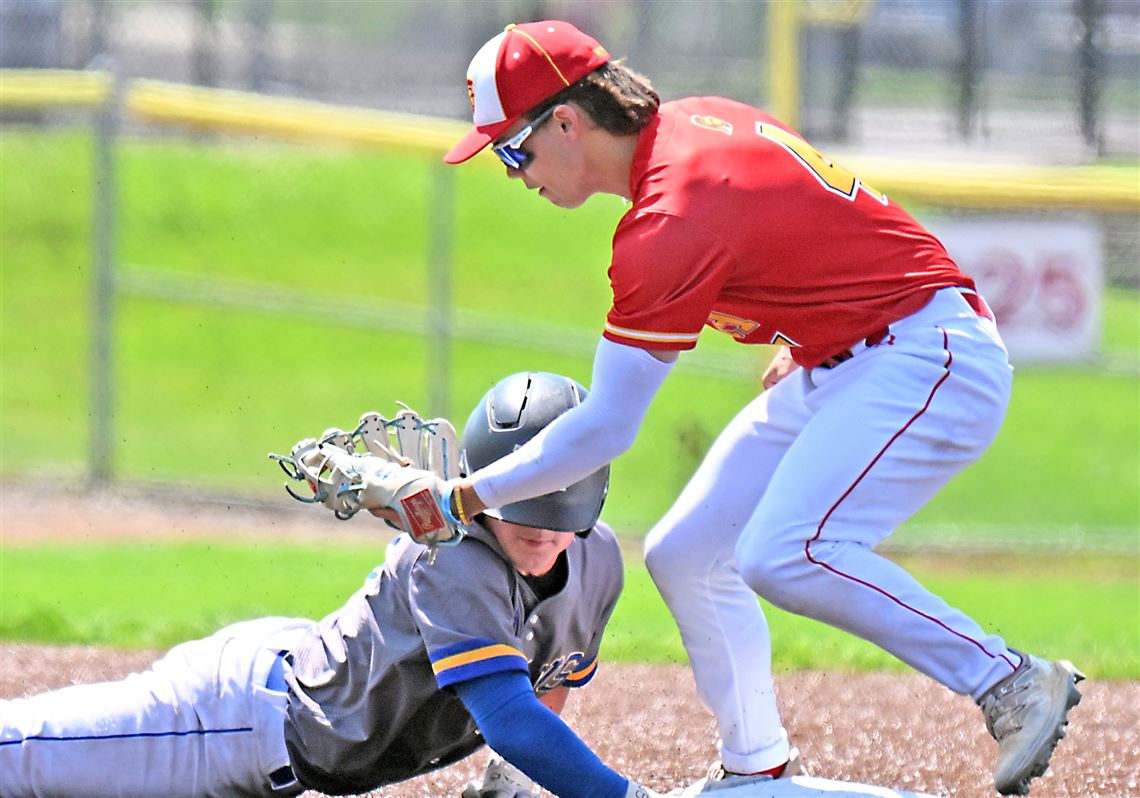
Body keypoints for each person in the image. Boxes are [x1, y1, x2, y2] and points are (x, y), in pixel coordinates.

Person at [438, 20, 1084, 797]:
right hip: (858, 352)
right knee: (686, 551)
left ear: (569, 122)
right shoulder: (698, 123)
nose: (514, 174)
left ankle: (1008, 679)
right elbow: (833, 226)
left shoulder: (668, 218)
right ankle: (758, 766)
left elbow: (607, 425)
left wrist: (464, 496)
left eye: (513, 150)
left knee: (786, 552)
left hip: (924, 358)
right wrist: (819, 326)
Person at [0, 372, 679, 798]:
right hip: (237, 722)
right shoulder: (449, 558)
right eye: (521, 509)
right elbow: (509, 718)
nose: (542, 531)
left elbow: (549, 676)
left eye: (560, 514)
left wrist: (515, 783)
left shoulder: (599, 561)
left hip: (303, 703)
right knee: (23, 758)